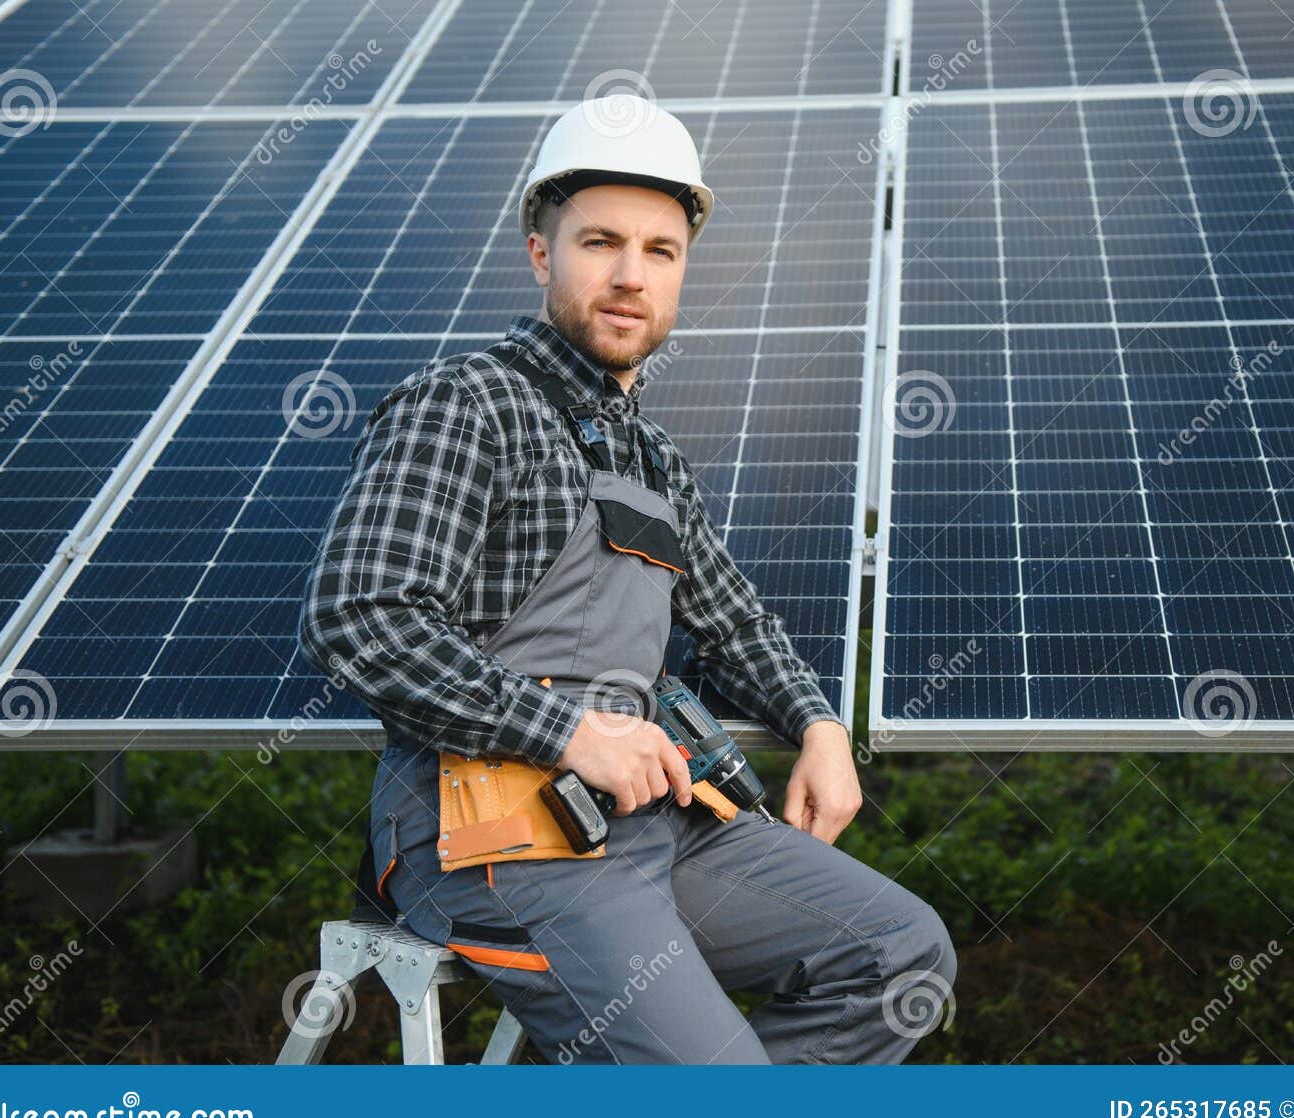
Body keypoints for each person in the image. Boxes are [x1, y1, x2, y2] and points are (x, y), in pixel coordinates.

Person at [298, 93, 955, 1064]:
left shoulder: (655, 463)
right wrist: (567, 730)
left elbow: (733, 625)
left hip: (652, 825)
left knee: (898, 955)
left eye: (659, 251)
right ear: (540, 253)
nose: (628, 275)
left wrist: (819, 728)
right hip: (492, 837)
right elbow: (361, 618)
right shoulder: (466, 405)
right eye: (599, 241)